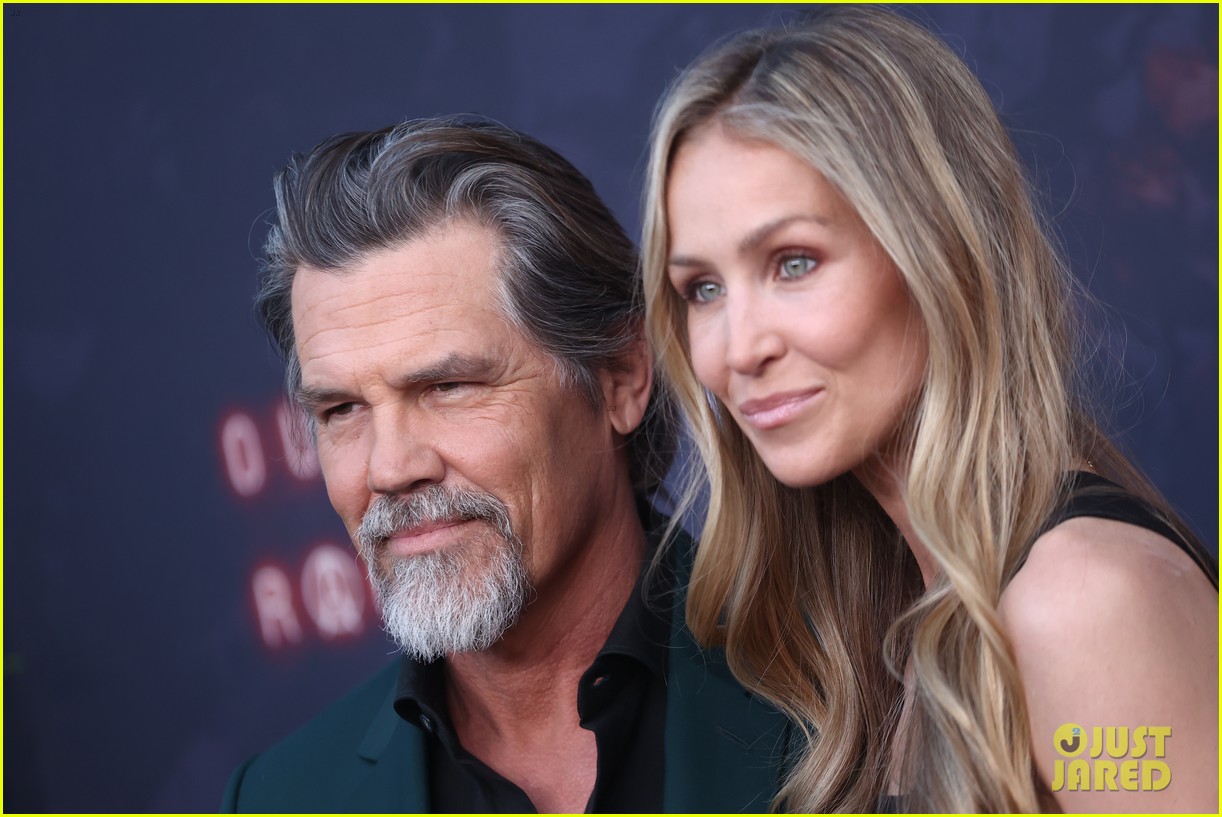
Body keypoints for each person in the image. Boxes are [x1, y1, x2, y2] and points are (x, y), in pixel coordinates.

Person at [640, 6, 1218, 813]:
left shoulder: (1084, 600)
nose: (739, 349)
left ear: (940, 251)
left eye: (794, 262)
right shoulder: (892, 616)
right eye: (702, 288)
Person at [223, 117, 786, 813]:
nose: (390, 468)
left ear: (620, 377)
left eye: (448, 387)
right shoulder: (278, 798)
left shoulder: (846, 687)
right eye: (342, 409)